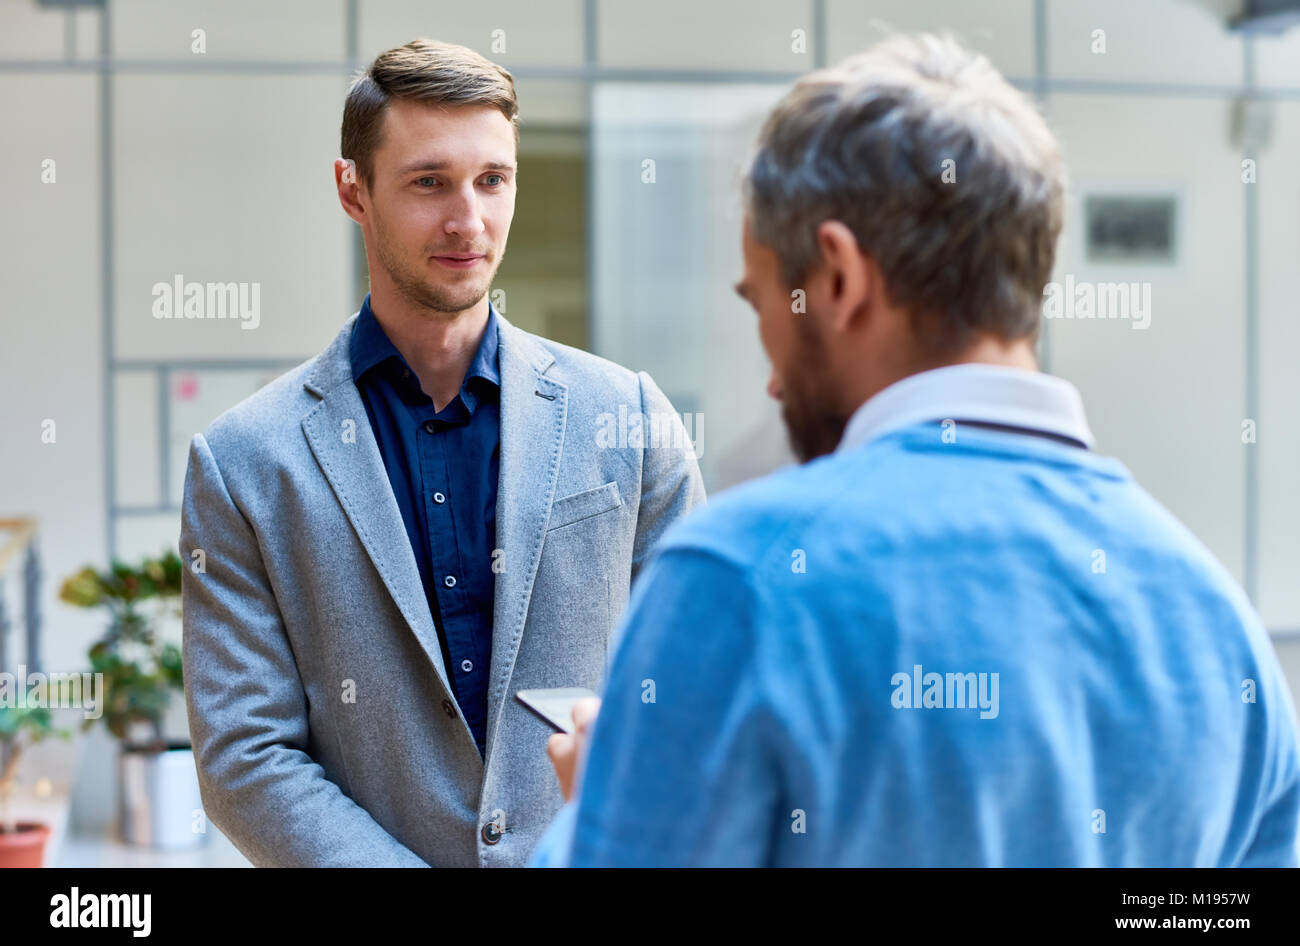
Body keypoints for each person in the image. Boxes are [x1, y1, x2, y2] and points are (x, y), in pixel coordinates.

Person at [531, 33, 1300, 866]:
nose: (772, 385)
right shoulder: (1219, 625)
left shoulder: (739, 582)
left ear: (836, 278)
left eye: (762, 307)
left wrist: (598, 803)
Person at [180, 38, 704, 867]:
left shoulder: (627, 417)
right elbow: (246, 757)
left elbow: (695, 689)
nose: (469, 220)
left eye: (492, 180)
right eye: (430, 182)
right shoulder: (245, 462)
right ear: (353, 190)